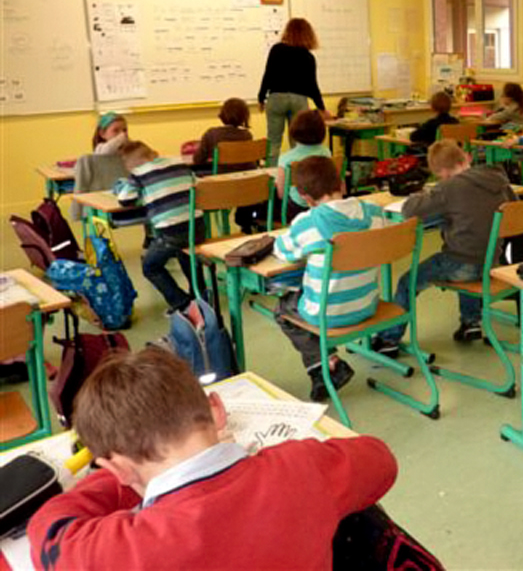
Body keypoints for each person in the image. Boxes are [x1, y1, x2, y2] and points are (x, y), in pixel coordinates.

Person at [28, 348, 397, 570]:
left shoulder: (122, 549)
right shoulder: (301, 468)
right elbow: (381, 461)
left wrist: (117, 479)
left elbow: (48, 527)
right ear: (217, 410)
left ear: (117, 467)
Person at [375, 140, 515, 353]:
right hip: (492, 259)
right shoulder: (498, 180)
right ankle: (471, 322)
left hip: (462, 264)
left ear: (443, 172)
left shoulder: (450, 187)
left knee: (406, 282)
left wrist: (422, 194)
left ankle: (389, 339)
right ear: (465, 158)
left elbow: (411, 210)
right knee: (469, 251)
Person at [273, 156, 383, 400]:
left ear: (305, 198)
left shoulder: (308, 223)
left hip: (328, 315)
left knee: (282, 311)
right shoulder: (376, 215)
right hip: (368, 306)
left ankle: (327, 363)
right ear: (342, 184)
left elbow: (282, 251)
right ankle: (327, 366)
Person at [114, 141, 201, 315]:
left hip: (171, 231)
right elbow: (197, 185)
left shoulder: (138, 174)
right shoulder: (178, 162)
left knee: (150, 267)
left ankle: (182, 303)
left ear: (132, 164)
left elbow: (125, 199)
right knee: (187, 256)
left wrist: (125, 185)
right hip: (197, 226)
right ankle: (201, 296)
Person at [258, 17, 329, 164]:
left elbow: (268, 74)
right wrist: (321, 108)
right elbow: (312, 86)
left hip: (276, 98)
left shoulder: (277, 49)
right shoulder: (308, 57)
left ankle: (272, 179)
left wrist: (261, 98)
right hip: (298, 100)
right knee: (299, 142)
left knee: (273, 141)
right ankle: (298, 175)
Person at [277, 109, 332, 222]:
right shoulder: (326, 153)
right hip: (323, 206)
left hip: (297, 210)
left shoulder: (286, 159)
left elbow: (281, 194)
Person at [191, 97, 255, 172]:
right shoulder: (247, 135)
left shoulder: (212, 134)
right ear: (244, 116)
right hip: (245, 181)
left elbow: (198, 160)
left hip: (221, 180)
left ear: (223, 114)